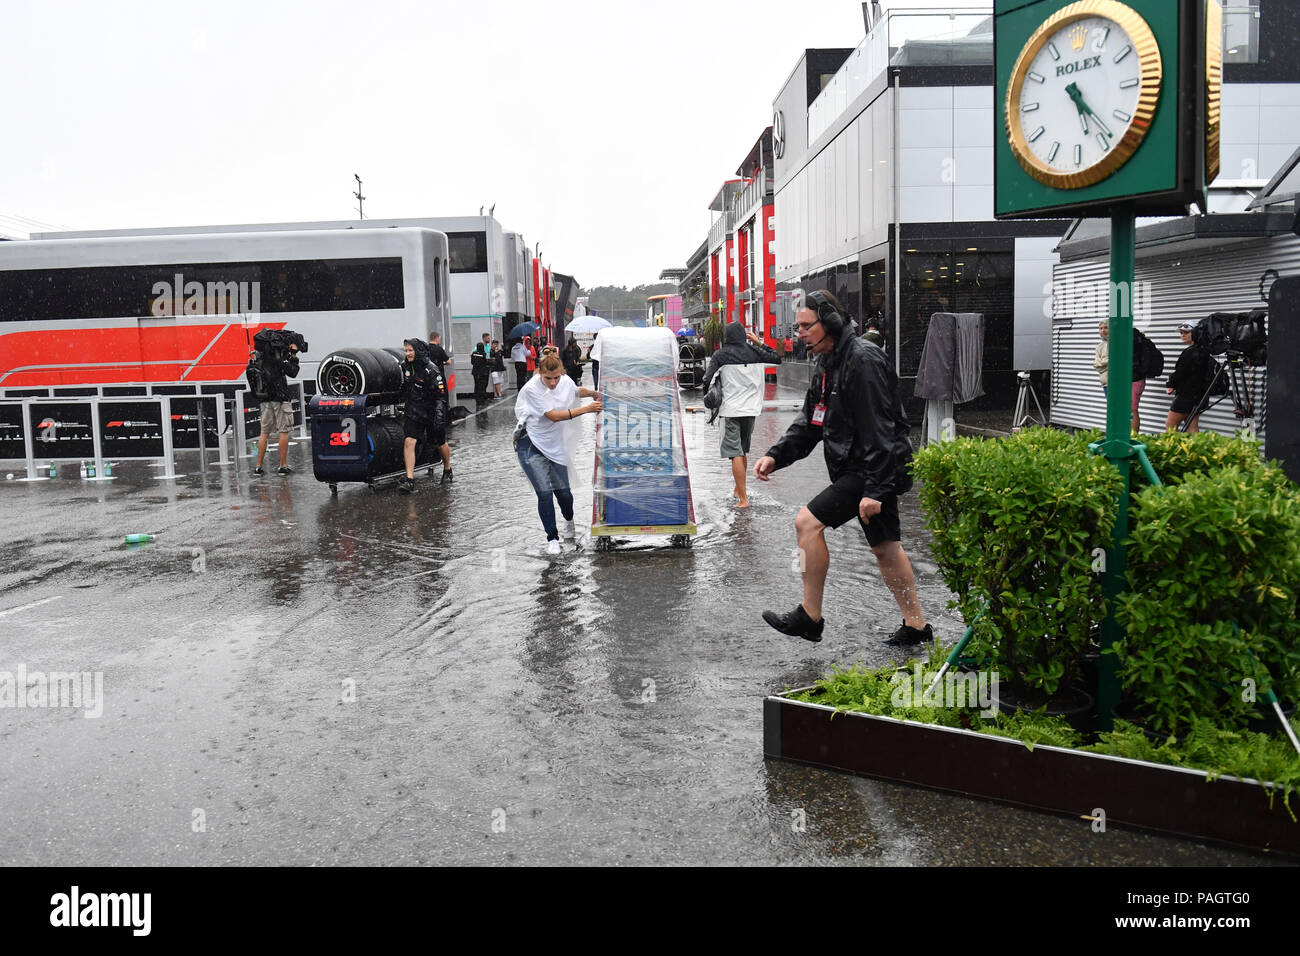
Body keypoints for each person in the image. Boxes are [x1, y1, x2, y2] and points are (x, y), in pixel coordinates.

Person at [753, 291, 930, 646]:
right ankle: (916, 626)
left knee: (807, 522)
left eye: (806, 326)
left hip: (872, 468)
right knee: (886, 548)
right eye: (798, 326)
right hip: (862, 466)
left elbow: (883, 428)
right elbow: (813, 422)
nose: (799, 333)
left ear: (830, 322)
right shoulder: (827, 362)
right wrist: (777, 454)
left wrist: (875, 490)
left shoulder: (862, 360)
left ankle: (810, 616)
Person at [515, 354, 602, 555]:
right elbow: (553, 416)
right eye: (548, 378)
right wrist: (587, 409)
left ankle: (569, 520)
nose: (553, 383)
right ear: (540, 373)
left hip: (555, 444)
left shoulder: (565, 381)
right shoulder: (531, 389)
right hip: (530, 443)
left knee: (564, 494)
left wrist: (592, 393)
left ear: (561, 373)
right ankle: (552, 538)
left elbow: (574, 391)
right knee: (544, 492)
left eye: (556, 377)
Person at [703, 323, 781, 509]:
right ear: (744, 336)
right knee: (742, 450)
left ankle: (743, 499)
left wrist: (710, 394)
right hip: (751, 410)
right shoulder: (755, 352)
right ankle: (739, 490)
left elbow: (707, 379)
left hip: (731, 411)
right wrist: (759, 343)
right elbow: (777, 358)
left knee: (734, 453)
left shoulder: (721, 355)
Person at [398, 337, 449, 493]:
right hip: (414, 410)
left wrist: (440, 416)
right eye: (406, 350)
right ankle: (410, 480)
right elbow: (404, 389)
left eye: (410, 350)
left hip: (431, 410)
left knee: (439, 442)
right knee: (409, 441)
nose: (407, 353)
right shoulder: (405, 367)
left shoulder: (431, 369)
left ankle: (447, 469)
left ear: (417, 351)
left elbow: (441, 395)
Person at [254, 335, 301, 476]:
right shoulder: (278, 358)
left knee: (264, 433)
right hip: (280, 398)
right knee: (283, 431)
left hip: (265, 398)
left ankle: (258, 467)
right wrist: (293, 354)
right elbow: (293, 372)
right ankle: (282, 466)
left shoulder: (260, 359)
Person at [1165, 321, 1215, 433]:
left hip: (1186, 395)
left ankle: (1171, 449)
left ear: (1196, 333)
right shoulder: (1204, 351)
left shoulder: (1191, 352)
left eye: (1186, 332)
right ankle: (1199, 449)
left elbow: (1181, 372)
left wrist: (1170, 384)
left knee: (1171, 424)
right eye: (1181, 332)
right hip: (1199, 396)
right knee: (1192, 426)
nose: (1183, 335)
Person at [1131, 326, 1161, 434]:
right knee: (1131, 410)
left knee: (1132, 410)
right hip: (1138, 380)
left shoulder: (1131, 339)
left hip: (1134, 380)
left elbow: (1132, 362)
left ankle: (1133, 437)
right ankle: (1132, 435)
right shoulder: (1140, 339)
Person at [471, 332, 492, 401]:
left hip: (486, 366)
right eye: (488, 338)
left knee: (484, 384)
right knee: (480, 384)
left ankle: (483, 396)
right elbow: (471, 354)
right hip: (482, 368)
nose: (489, 339)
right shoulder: (479, 347)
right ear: (484, 338)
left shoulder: (489, 346)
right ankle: (479, 397)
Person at [1094, 319, 1109, 395]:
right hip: (1106, 384)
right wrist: (1109, 361)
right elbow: (1097, 365)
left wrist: (1103, 362)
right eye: (1101, 328)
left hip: (1118, 383)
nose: (1103, 330)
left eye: (1106, 327)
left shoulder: (1117, 344)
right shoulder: (1099, 347)